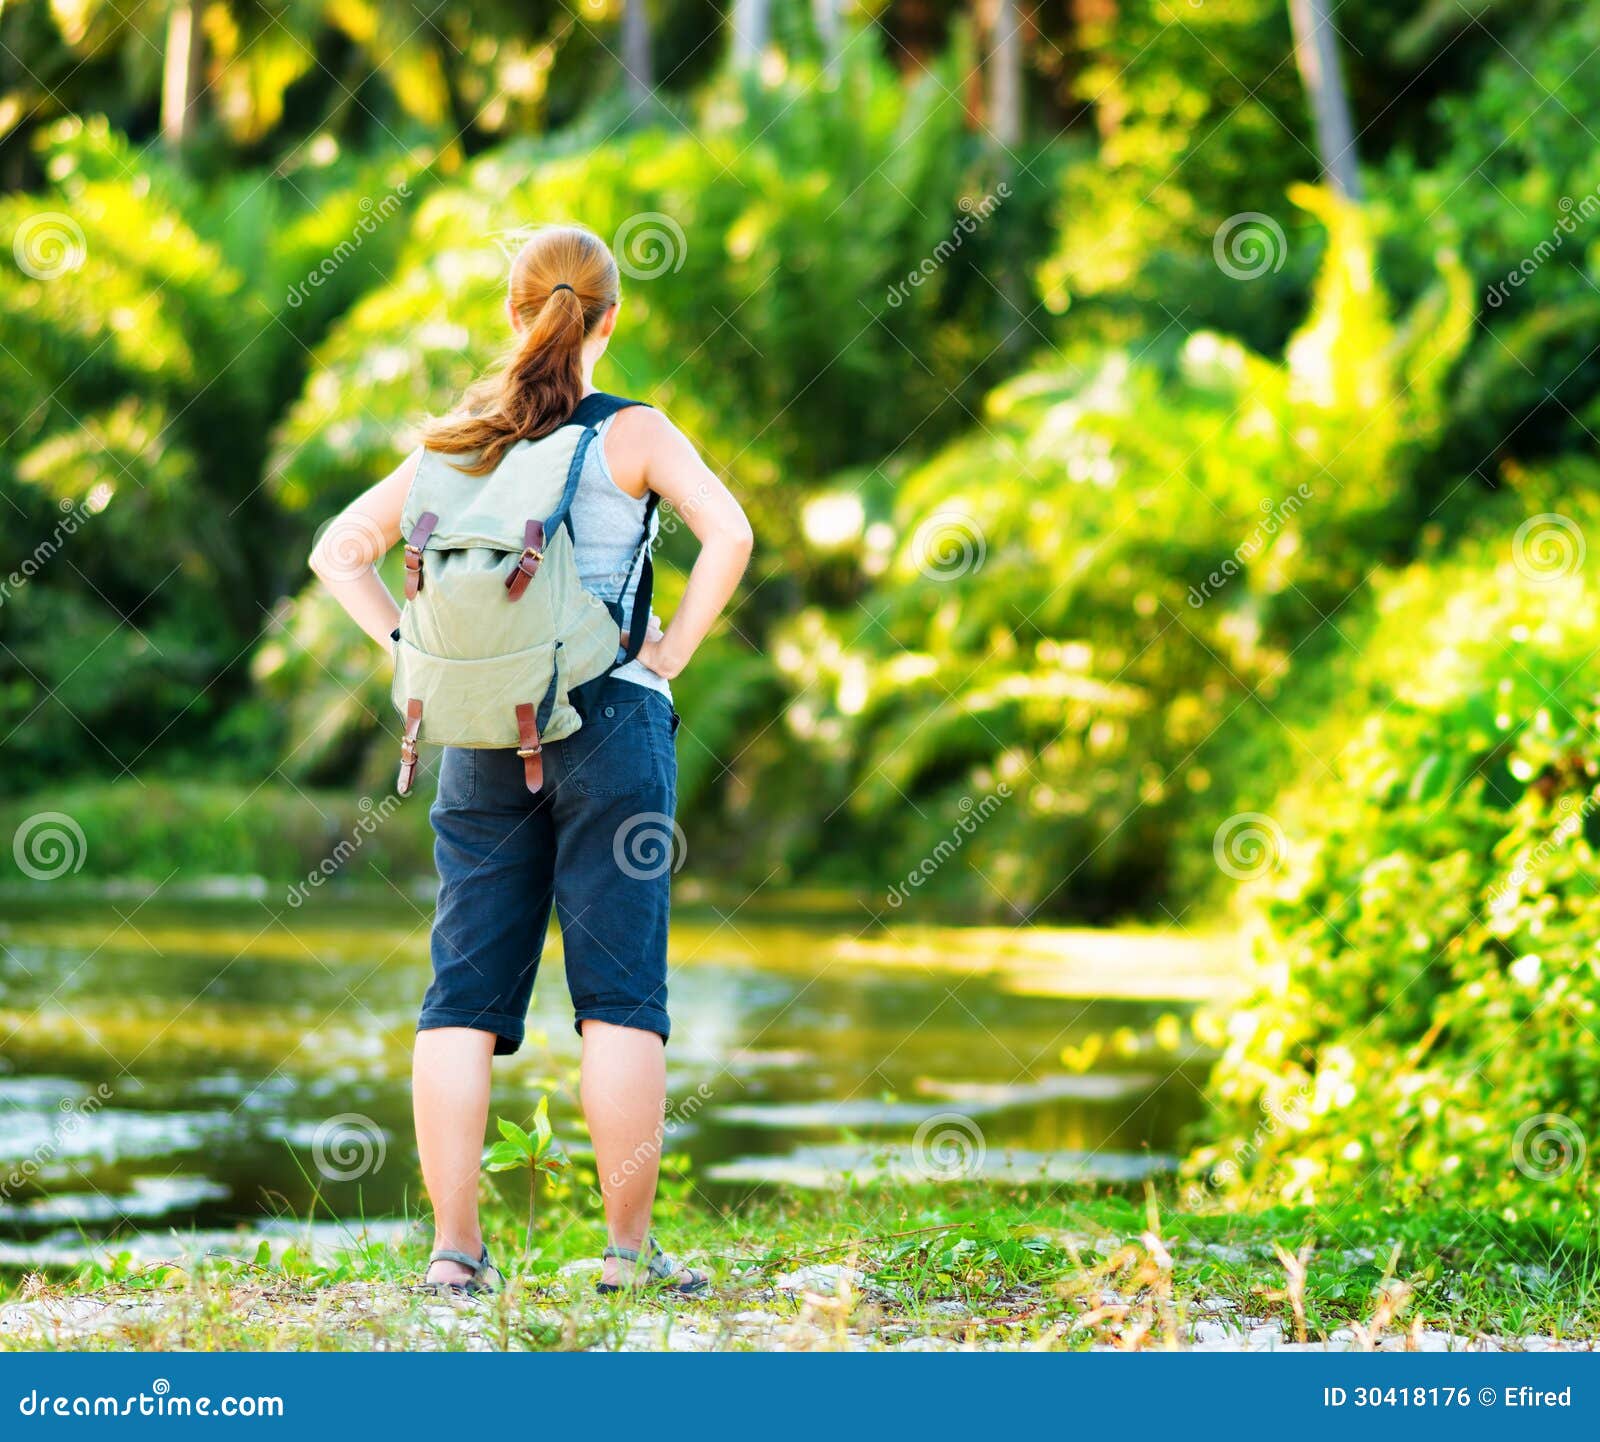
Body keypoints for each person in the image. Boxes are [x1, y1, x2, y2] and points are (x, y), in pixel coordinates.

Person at [310, 223, 753, 1295]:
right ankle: (626, 1256)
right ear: (610, 318)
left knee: (460, 995)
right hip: (613, 723)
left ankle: (454, 1255)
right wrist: (670, 652)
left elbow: (337, 552)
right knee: (620, 997)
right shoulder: (634, 433)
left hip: (480, 730)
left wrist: (413, 650)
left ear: (513, 312)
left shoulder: (459, 441)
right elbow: (730, 533)